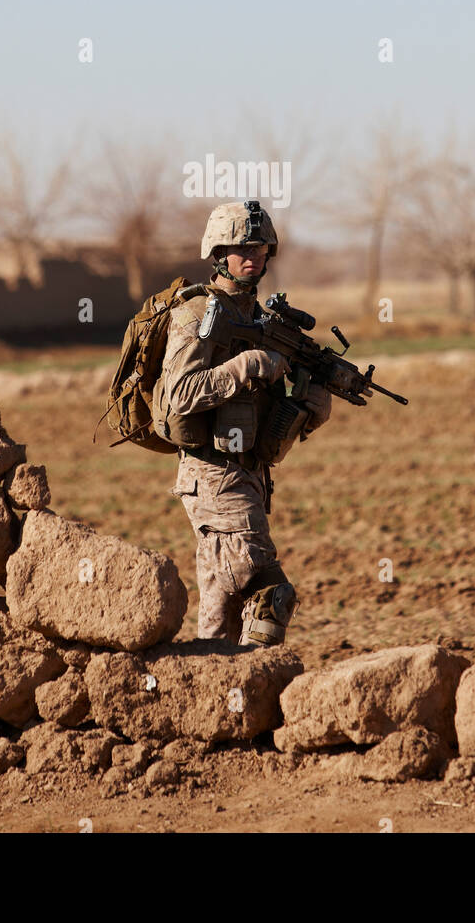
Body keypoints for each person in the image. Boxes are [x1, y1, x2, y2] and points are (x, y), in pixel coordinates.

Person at [152, 200, 332, 646]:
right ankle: (258, 684)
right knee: (273, 595)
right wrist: (248, 365)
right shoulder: (197, 314)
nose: (252, 256)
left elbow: (269, 409)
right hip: (213, 477)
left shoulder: (262, 318)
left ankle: (222, 704)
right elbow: (178, 395)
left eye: (260, 247)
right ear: (217, 252)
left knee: (222, 624)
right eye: (239, 247)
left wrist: (308, 406)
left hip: (250, 474)